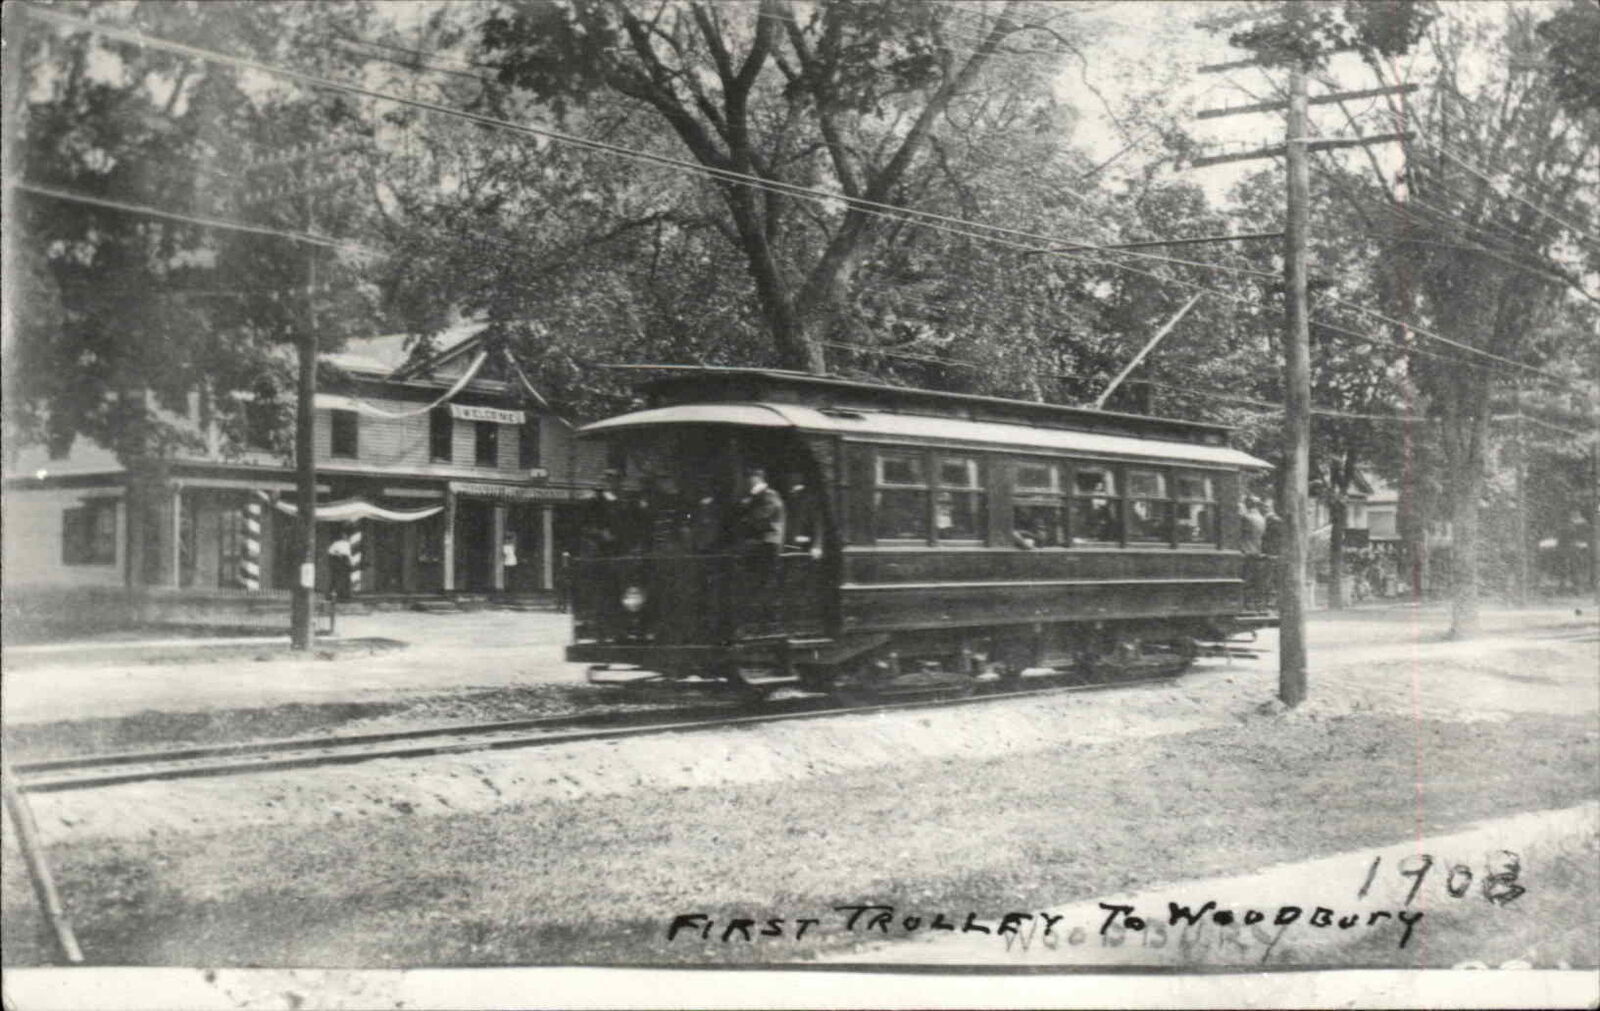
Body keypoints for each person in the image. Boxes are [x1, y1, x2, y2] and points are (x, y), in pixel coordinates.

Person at [730, 466, 786, 633]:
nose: (749, 482)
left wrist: (746, 514)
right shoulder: (756, 497)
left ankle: (767, 624)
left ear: (757, 479)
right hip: (760, 545)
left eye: (751, 479)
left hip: (768, 545)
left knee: (765, 584)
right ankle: (758, 623)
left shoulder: (769, 495)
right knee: (756, 584)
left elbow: (761, 518)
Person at [782, 470, 823, 559]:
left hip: (805, 546)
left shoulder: (809, 500)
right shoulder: (789, 499)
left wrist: (817, 545)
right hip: (790, 545)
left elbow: (817, 523)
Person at [327, 526, 354, 601]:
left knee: (346, 578)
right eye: (343, 535)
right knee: (336, 578)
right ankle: (333, 595)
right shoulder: (336, 543)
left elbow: (349, 554)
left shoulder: (348, 544)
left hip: (346, 561)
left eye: (346, 535)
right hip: (339, 561)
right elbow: (330, 551)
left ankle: (345, 595)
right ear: (341, 536)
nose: (344, 536)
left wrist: (351, 562)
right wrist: (337, 554)